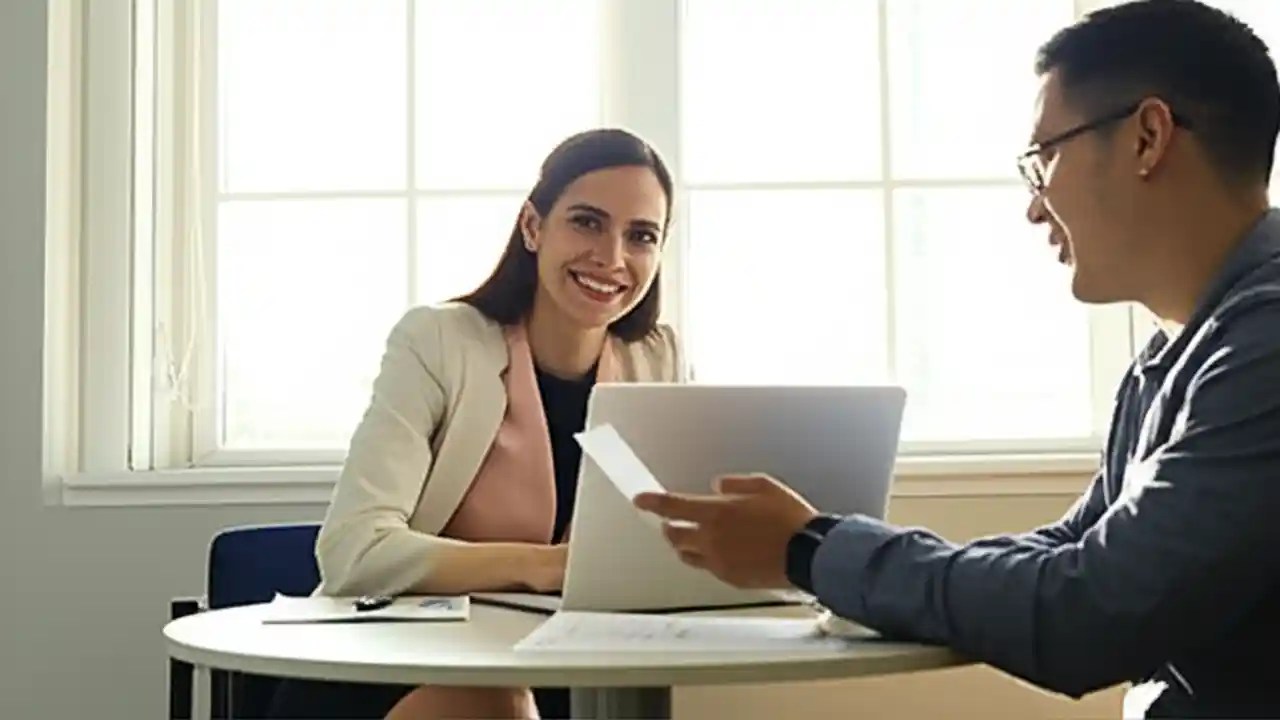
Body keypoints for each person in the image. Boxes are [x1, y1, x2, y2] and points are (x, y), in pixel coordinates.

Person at [633, 1, 1280, 718]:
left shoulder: (1265, 345)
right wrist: (828, 553)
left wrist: (811, 550)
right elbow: (1071, 548)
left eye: (1046, 158)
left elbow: (1088, 611)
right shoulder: (1174, 354)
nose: (1035, 208)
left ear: (1147, 138)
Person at [267, 127, 683, 720]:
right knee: (499, 705)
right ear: (533, 228)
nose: (613, 257)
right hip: (396, 666)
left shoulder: (657, 359)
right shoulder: (438, 343)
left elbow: (666, 538)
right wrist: (546, 567)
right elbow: (354, 551)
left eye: (641, 236)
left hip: (569, 663)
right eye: (587, 222)